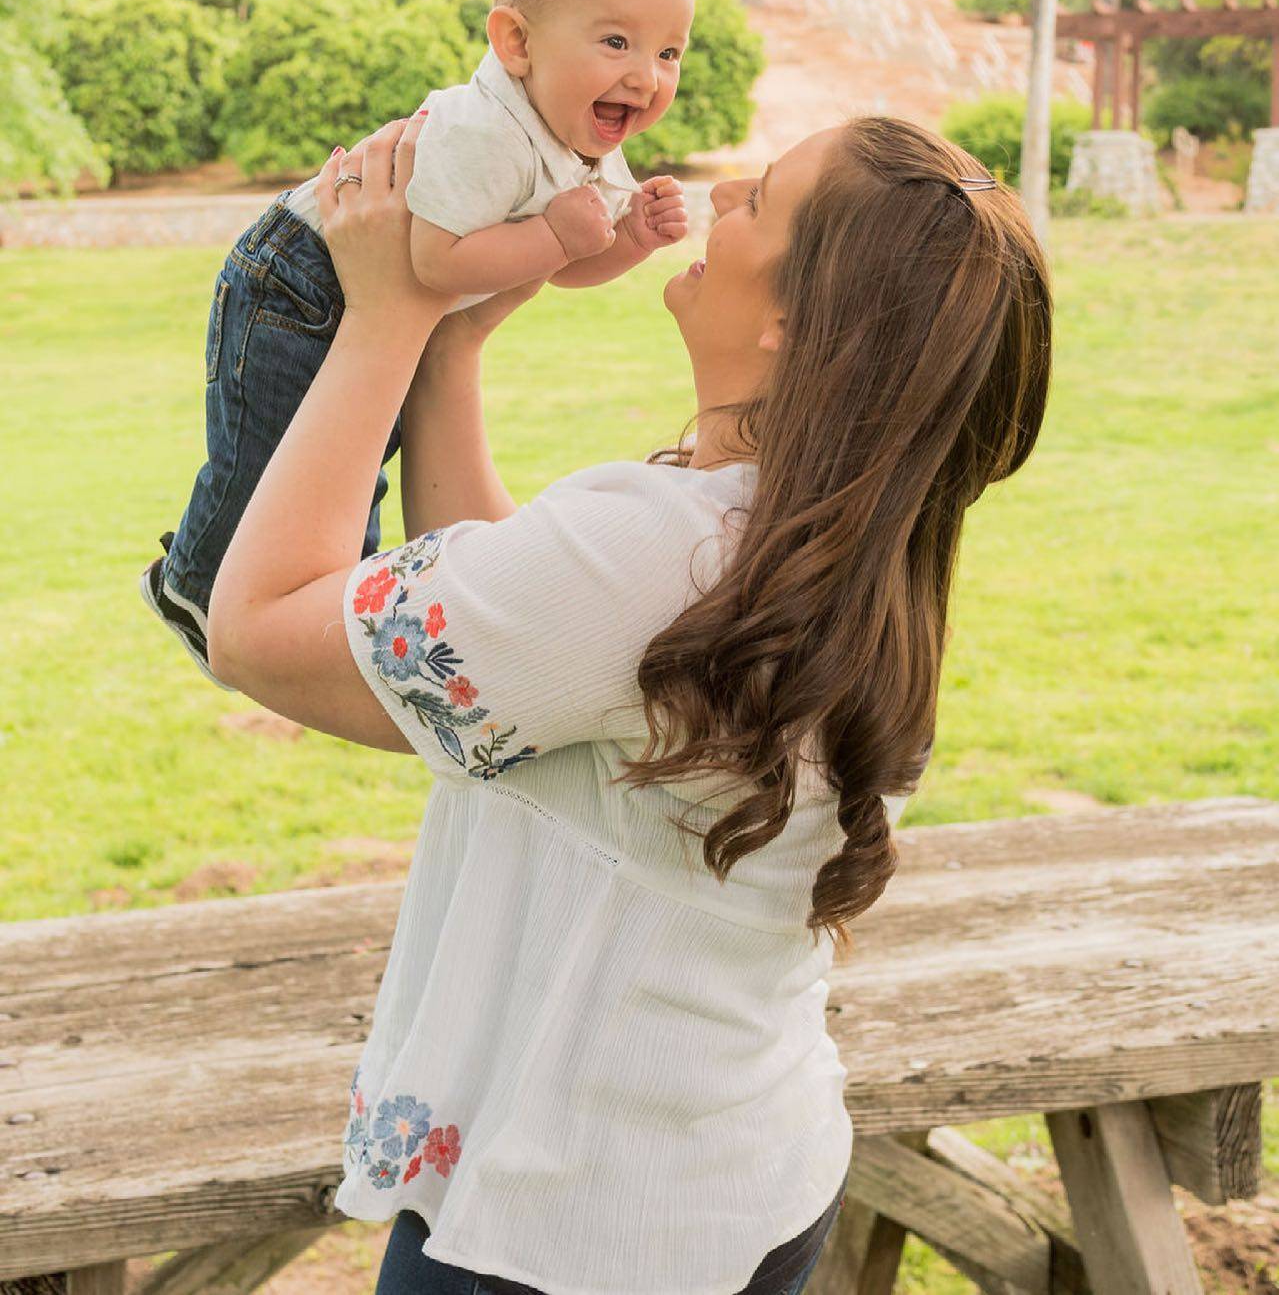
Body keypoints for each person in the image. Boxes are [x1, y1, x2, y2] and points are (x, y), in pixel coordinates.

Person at [204, 110, 1052, 1295]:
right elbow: (518, 618)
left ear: (791, 322)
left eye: (757, 198)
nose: (714, 202)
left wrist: (386, 318)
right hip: (732, 1171)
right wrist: (451, 350)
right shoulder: (824, 545)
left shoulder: (660, 556)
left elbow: (257, 627)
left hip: (560, 1233)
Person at [140, 0, 692, 685]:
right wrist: (552, 235)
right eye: (616, 42)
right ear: (516, 41)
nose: (645, 76)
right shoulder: (482, 130)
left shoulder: (589, 145)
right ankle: (194, 583)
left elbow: (563, 270)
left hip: (376, 301)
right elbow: (436, 264)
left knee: (352, 473)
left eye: (668, 53)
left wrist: (628, 238)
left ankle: (255, 611)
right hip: (299, 280)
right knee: (272, 464)